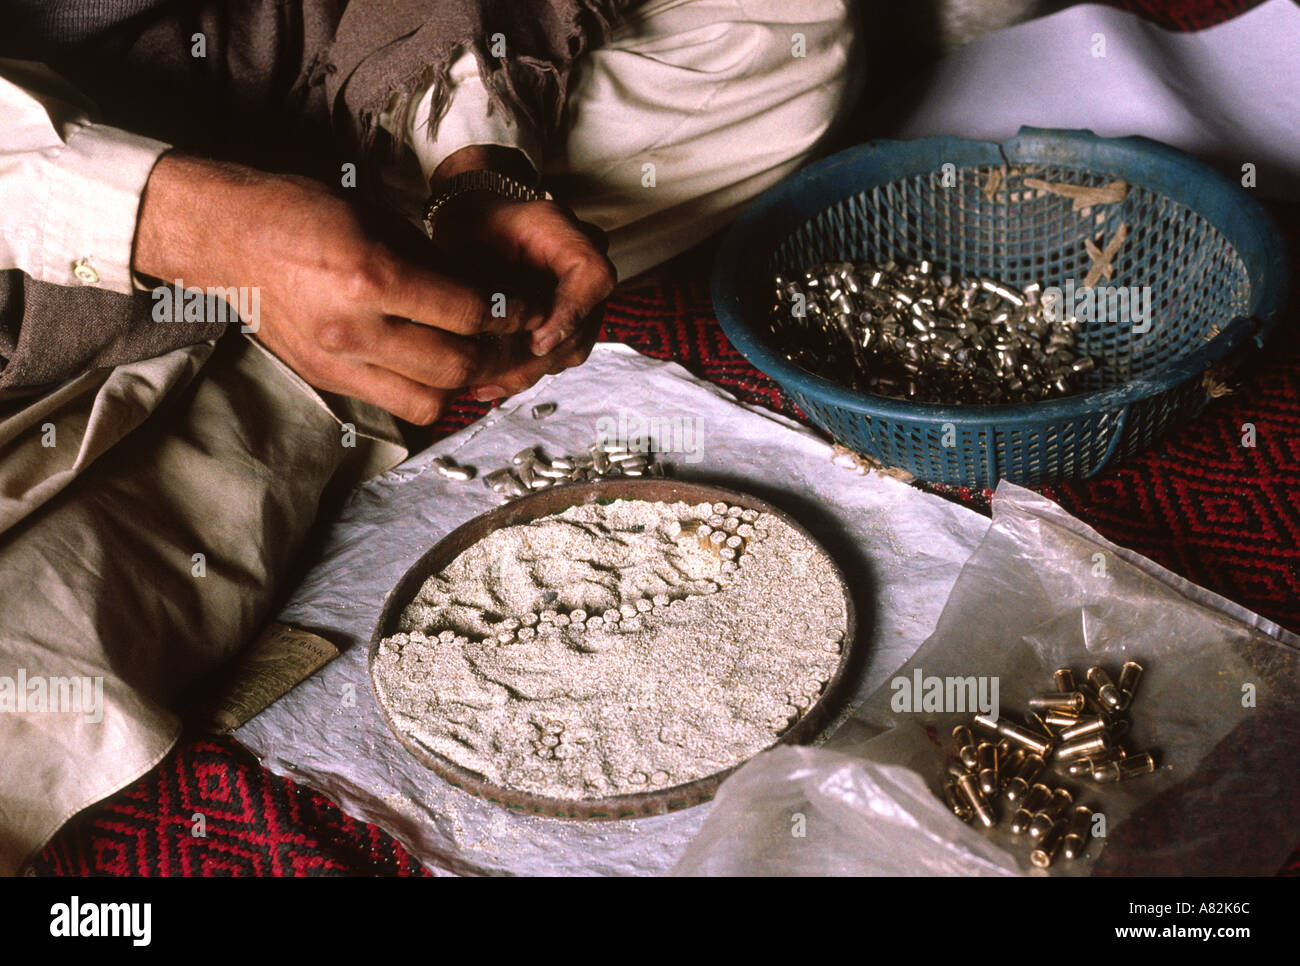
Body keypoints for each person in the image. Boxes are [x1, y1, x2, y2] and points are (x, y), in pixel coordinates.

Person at [0, 0, 862, 873]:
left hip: (276, 79)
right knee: (37, 697)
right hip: (39, 269)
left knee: (786, 24)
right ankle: (314, 319)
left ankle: (360, 283)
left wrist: (473, 166)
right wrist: (190, 224)